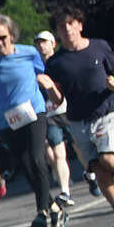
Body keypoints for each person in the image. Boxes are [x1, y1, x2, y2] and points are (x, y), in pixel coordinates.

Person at [44, 7, 114, 227]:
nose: (67, 29)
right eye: (61, 26)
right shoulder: (56, 63)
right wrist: (49, 87)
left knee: (108, 159)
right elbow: (58, 101)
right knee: (100, 171)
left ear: (80, 25)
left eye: (70, 23)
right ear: (57, 32)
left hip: (106, 112)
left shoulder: (99, 46)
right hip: (78, 121)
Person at [0, 14, 63, 227]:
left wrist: (46, 83)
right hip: (9, 121)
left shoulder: (29, 53)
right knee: (26, 167)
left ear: (12, 35)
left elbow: (42, 74)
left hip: (34, 111)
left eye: (2, 38)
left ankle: (41, 213)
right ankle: (55, 208)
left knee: (37, 158)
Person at [32, 30, 75, 205]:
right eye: (38, 43)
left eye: (44, 42)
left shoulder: (61, 61)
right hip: (49, 115)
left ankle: (92, 173)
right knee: (58, 153)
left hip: (67, 110)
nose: (41, 46)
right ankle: (65, 190)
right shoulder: (33, 66)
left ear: (52, 44)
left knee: (79, 146)